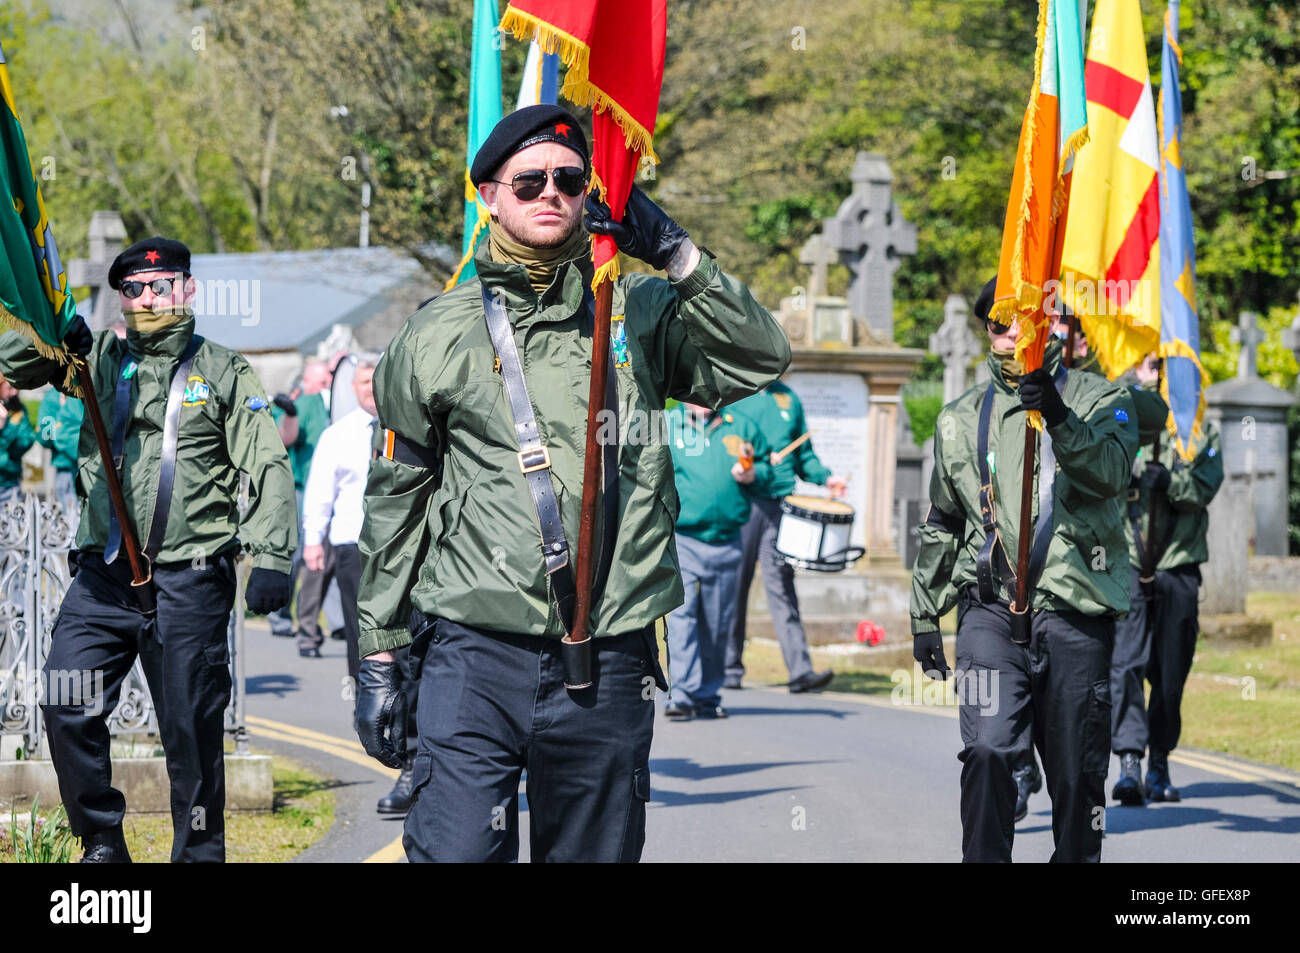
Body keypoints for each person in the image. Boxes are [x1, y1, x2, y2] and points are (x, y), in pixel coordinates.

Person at [352, 104, 790, 862]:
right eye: (529, 182)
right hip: (475, 651)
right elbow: (397, 501)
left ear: (591, 191)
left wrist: (678, 253)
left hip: (609, 655)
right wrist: (379, 652)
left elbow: (761, 357)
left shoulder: (637, 312)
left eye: (569, 178)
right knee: (456, 851)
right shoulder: (434, 333)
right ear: (490, 197)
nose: (550, 192)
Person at [0, 236, 298, 862]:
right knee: (65, 697)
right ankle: (101, 840)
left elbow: (268, 463)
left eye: (160, 286)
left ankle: (197, 856)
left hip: (190, 584)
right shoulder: (96, 361)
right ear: (121, 300)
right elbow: (21, 364)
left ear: (188, 289)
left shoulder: (223, 369)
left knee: (191, 735)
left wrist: (273, 556)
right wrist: (54, 337)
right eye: (132, 289)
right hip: (104, 581)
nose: (148, 298)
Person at [910, 276, 1139, 862]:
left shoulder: (1105, 398)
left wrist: (1059, 416)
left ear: (1049, 322)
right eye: (998, 322)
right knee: (986, 750)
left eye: (1024, 318)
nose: (1012, 333)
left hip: (1074, 611)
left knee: (1078, 774)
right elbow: (943, 520)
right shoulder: (959, 418)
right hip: (989, 612)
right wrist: (924, 616)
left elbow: (1110, 474)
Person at [1110, 354, 1223, 804]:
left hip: (1178, 564)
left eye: (1162, 365)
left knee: (1171, 672)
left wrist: (1170, 484)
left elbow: (1204, 487)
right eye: (1146, 363)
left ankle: (1159, 761)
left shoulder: (1202, 432)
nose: (1154, 372)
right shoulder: (1124, 420)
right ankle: (1129, 761)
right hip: (1130, 562)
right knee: (1125, 665)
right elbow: (1102, 473)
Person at [725, 381, 847, 692]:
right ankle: (728, 667)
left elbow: (804, 455)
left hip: (781, 505)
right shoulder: (733, 393)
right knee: (735, 585)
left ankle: (800, 670)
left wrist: (826, 478)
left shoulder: (788, 397)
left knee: (781, 584)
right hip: (743, 503)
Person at [664, 402, 772, 720]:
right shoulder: (667, 423)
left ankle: (706, 696)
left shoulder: (742, 425)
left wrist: (754, 474)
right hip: (683, 538)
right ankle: (681, 695)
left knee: (717, 623)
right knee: (682, 617)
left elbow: (772, 470)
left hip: (727, 541)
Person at [300, 353, 379, 680]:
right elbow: (320, 491)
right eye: (364, 382)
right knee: (359, 629)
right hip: (352, 544)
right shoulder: (338, 435)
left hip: (398, 546)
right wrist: (313, 541)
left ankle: (402, 705)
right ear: (353, 387)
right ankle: (364, 699)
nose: (371, 388)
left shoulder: (407, 428)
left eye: (375, 380)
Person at [269, 358, 333, 643]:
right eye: (322, 380)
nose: (327, 384)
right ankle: (280, 615)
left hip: (330, 491)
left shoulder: (332, 404)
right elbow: (285, 438)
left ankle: (330, 622)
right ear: (307, 381)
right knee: (294, 555)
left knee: (330, 557)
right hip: (300, 489)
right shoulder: (303, 403)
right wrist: (291, 413)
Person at [37, 385, 84, 518]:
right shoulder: (52, 398)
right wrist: (59, 427)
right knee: (70, 518)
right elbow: (44, 438)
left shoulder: (82, 389)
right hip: (66, 468)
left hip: (88, 465)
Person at [0, 373, 36, 504]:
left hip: (10, 483)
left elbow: (26, 441)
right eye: (9, 388)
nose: (14, 392)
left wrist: (6, 429)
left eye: (17, 388)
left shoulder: (19, 410)